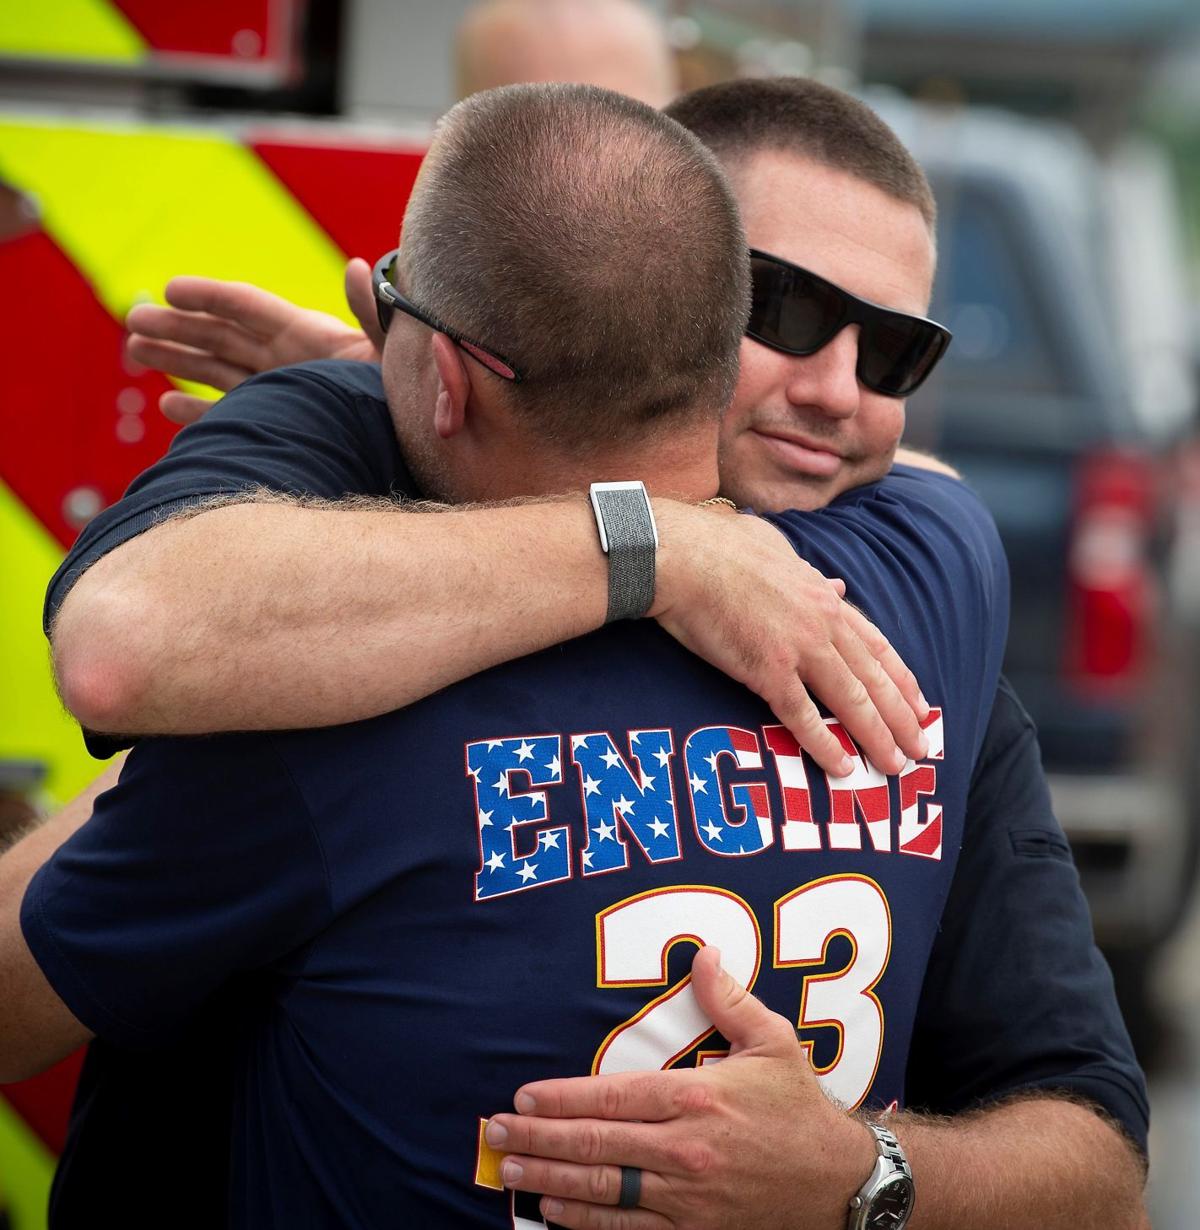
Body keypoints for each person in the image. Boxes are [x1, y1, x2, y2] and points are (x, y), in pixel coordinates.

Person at [36, 79, 1148, 1227]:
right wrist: (654, 540)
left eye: (897, 355)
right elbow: (131, 646)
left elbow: (1100, 1168)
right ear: (679, 295)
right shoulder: (343, 446)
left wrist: (860, 1176)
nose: (833, 392)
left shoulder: (905, 618)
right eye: (783, 309)